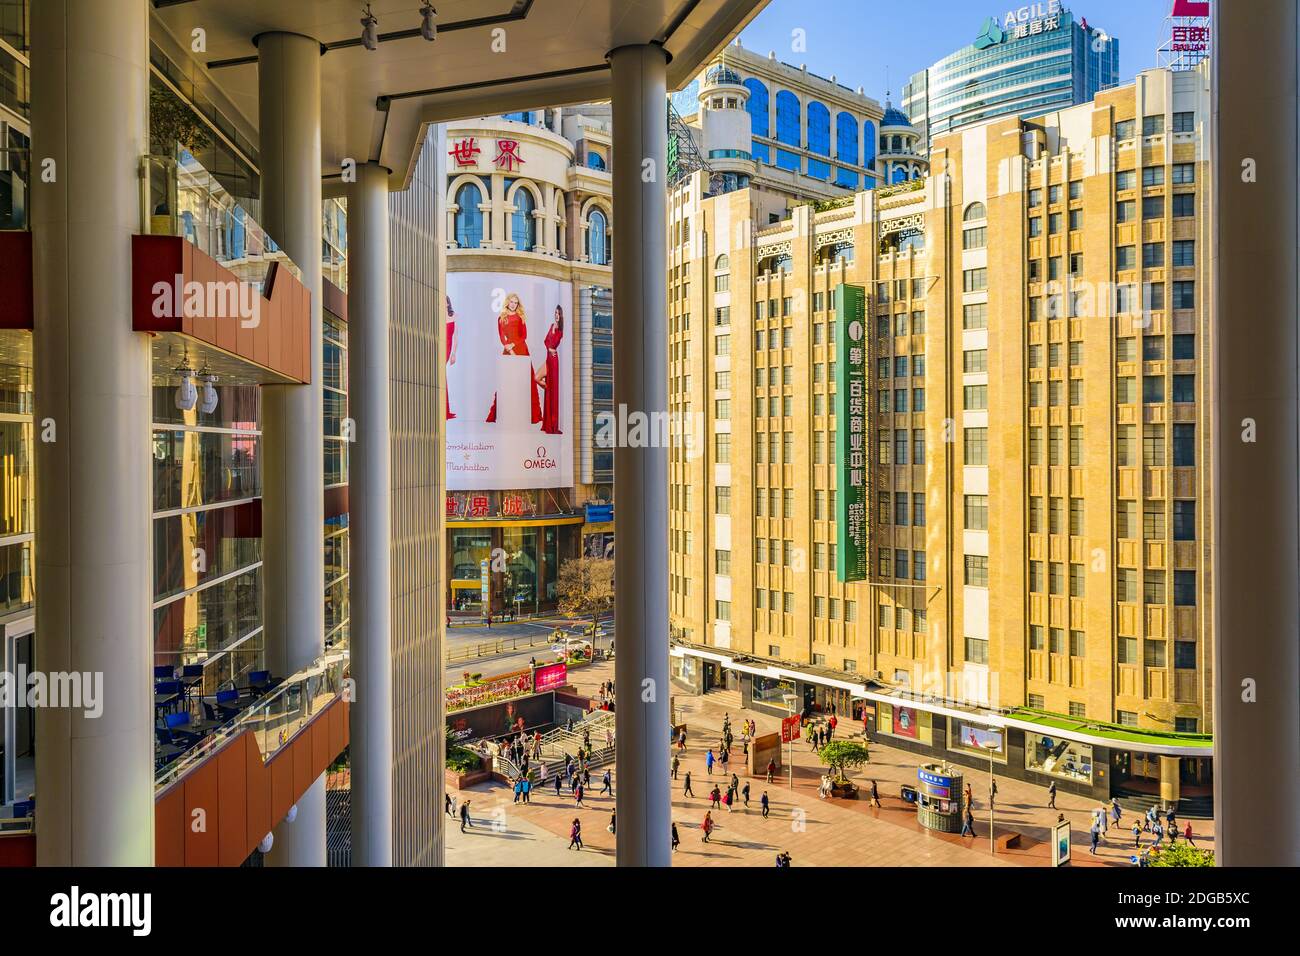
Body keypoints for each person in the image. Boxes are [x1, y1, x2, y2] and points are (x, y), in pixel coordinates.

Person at [484, 292, 541, 424]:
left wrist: (513, 346)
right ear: (507, 302)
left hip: (521, 348)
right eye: (512, 302)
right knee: (505, 382)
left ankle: (528, 414)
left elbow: (524, 336)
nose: (514, 305)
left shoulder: (520, 317)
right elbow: (501, 336)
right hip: (508, 349)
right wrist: (507, 347)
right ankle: (506, 413)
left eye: (516, 303)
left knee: (524, 381)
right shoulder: (501, 317)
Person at [536, 305, 565, 434]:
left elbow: (553, 343)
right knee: (536, 378)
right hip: (549, 358)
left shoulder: (560, 330)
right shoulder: (552, 326)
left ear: (561, 315)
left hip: (553, 360)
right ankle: (548, 389)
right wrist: (549, 347)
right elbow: (545, 342)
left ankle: (553, 425)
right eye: (555, 313)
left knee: (552, 390)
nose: (556, 315)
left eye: (558, 313)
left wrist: (551, 347)